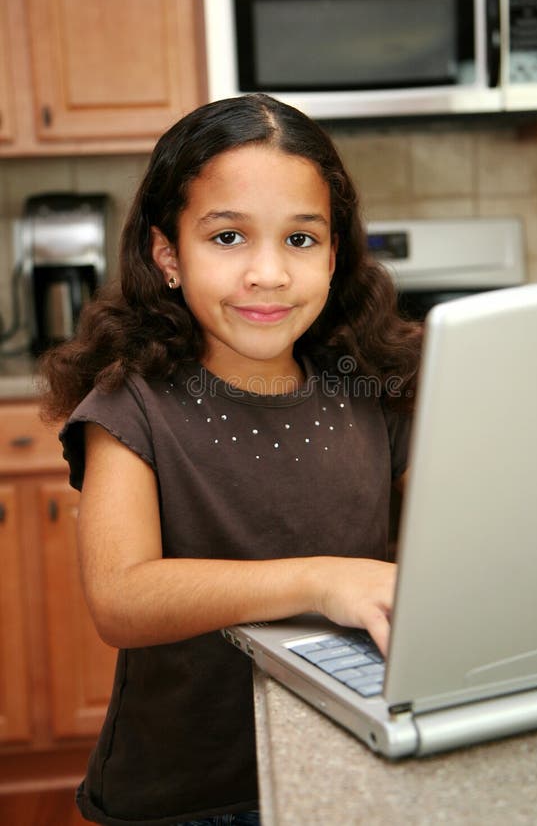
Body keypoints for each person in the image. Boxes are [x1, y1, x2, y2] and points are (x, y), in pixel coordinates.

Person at [39, 93, 422, 826]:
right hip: (186, 796)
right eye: (227, 238)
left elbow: (436, 549)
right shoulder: (132, 407)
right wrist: (320, 579)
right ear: (167, 256)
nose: (268, 274)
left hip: (351, 767)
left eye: (301, 241)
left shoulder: (373, 394)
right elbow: (121, 599)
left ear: (336, 254)